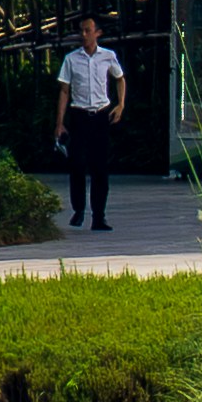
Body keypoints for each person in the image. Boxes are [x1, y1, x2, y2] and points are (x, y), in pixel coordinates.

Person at [51, 14, 135, 243]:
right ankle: (79, 209)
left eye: (88, 30)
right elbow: (64, 91)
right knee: (77, 164)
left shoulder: (108, 56)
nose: (84, 34)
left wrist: (121, 104)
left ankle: (99, 216)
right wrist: (60, 123)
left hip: (100, 115)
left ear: (97, 33)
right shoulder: (71, 59)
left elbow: (120, 78)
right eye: (82, 31)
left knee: (100, 168)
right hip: (79, 115)